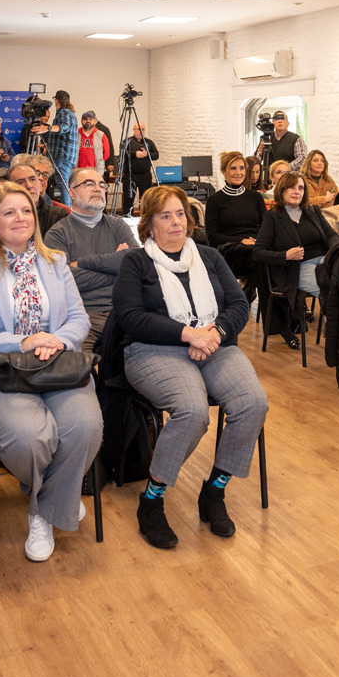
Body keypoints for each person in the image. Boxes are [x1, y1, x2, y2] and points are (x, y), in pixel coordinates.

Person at [0, 181, 104, 562]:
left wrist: (57, 341)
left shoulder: (55, 262)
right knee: (31, 437)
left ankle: (44, 508)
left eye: (26, 211)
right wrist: (24, 342)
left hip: (56, 366)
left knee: (86, 425)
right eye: (9, 212)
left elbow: (79, 318)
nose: (20, 218)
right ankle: (51, 508)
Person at [111, 186, 268, 549]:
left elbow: (239, 304)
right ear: (149, 224)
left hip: (215, 344)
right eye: (165, 216)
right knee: (193, 412)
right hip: (153, 350)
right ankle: (151, 501)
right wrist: (187, 334)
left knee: (253, 403)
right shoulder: (136, 262)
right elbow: (132, 317)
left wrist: (215, 332)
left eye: (180, 213)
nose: (175, 222)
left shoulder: (209, 257)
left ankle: (214, 491)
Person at [44, 167, 135, 352]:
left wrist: (84, 263)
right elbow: (64, 280)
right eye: (89, 184)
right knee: (76, 367)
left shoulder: (118, 225)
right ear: (71, 192)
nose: (98, 188)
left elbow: (134, 265)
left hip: (124, 311)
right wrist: (115, 271)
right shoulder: (57, 234)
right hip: (82, 315)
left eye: (102, 185)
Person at [253, 171, 339, 349]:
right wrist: (285, 255)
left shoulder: (313, 211)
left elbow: (332, 235)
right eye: (292, 187)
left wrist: (332, 252)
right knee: (331, 291)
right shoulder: (273, 217)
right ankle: (338, 342)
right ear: (282, 190)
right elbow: (258, 252)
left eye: (300, 187)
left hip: (324, 261)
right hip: (296, 267)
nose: (297, 191)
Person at [205, 151, 268, 297]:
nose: (238, 172)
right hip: (230, 249)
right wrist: (241, 240)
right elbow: (213, 236)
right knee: (261, 256)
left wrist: (258, 241)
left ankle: (274, 298)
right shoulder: (215, 200)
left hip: (255, 245)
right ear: (224, 172)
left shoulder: (255, 197)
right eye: (233, 168)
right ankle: (263, 296)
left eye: (241, 168)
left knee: (280, 252)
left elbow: (266, 226)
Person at [30, 91, 79, 207]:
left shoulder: (63, 112)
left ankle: (67, 212)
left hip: (61, 155)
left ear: (56, 101)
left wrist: (46, 128)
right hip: (66, 155)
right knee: (62, 183)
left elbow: (64, 127)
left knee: (63, 184)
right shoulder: (71, 113)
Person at [6, 162, 69, 235]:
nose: (29, 186)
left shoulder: (59, 215)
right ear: (10, 188)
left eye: (32, 179)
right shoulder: (5, 218)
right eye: (21, 182)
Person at [122, 121, 159, 213]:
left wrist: (147, 154)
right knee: (128, 200)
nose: (141, 131)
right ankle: (127, 218)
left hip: (145, 176)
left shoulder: (149, 142)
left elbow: (156, 155)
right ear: (134, 130)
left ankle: (145, 221)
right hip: (130, 176)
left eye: (143, 129)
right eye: (138, 129)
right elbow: (122, 154)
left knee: (146, 200)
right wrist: (135, 154)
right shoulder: (127, 141)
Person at [76, 110, 110, 176]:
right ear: (81, 121)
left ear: (95, 120)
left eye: (90, 119)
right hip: (77, 172)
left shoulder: (101, 135)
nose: (88, 121)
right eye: (85, 119)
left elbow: (106, 155)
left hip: (95, 172)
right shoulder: (75, 134)